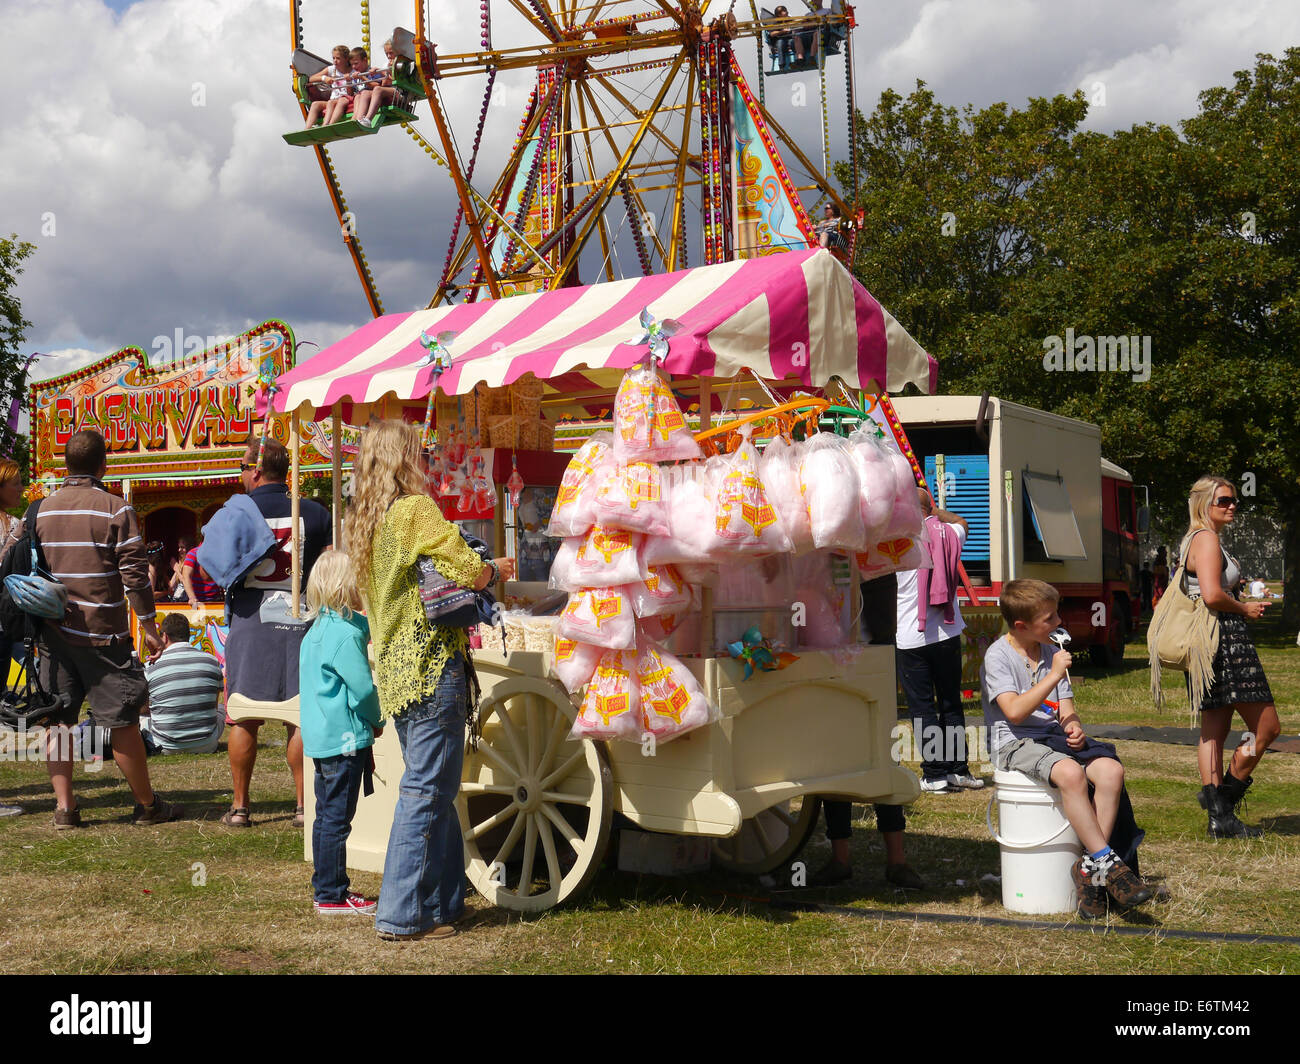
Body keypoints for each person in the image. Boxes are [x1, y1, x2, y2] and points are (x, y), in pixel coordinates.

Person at [348, 420, 514, 941]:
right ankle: (400, 914)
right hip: (430, 665)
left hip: (396, 671)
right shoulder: (413, 511)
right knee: (425, 792)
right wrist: (497, 570)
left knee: (437, 791)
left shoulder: (365, 523)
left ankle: (444, 906)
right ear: (405, 458)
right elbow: (467, 566)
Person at [33, 430, 182, 828]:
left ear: (66, 465)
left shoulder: (42, 510)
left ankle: (65, 808)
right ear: (103, 465)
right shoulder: (117, 509)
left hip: (53, 634)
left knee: (59, 720)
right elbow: (135, 576)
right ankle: (147, 805)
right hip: (104, 634)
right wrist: (150, 627)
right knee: (122, 720)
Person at [983, 578, 1151, 918]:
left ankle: (1090, 870)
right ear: (1021, 626)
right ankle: (1108, 864)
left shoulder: (1050, 652)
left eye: (1057, 615)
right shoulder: (998, 656)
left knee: (1110, 770)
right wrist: (1054, 675)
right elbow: (1014, 711)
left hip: (1051, 737)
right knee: (1071, 774)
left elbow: (1066, 708)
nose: (1059, 623)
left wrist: (1073, 726)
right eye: (1050, 619)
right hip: (1014, 741)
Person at [220, 437, 332, 829]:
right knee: (300, 717)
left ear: (254, 469)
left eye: (241, 467)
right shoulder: (315, 513)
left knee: (243, 714)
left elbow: (209, 563)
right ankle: (303, 806)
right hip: (301, 619)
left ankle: (239, 807)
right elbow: (329, 569)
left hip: (251, 620)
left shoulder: (238, 511)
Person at [810, 573, 925, 890]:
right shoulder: (820, 567)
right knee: (835, 761)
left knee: (885, 757)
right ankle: (840, 859)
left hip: (875, 654)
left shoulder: (878, 558)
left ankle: (897, 860)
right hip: (828, 658)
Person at [1180, 477, 1280, 838]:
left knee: (1213, 732)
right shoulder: (1206, 539)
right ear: (1205, 502)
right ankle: (1225, 798)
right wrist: (1245, 608)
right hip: (1224, 640)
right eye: (1224, 500)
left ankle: (1219, 818)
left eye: (1234, 500)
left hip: (1207, 644)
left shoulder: (1195, 538)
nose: (1232, 505)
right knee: (1266, 728)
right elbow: (1211, 595)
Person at [300, 550, 383, 915]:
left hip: (322, 739)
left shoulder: (315, 632)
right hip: (346, 740)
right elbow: (363, 690)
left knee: (325, 816)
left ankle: (325, 887)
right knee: (337, 819)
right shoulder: (345, 635)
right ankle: (332, 894)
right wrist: (377, 718)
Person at [898, 487, 983, 793]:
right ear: (928, 509)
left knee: (922, 707)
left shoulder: (895, 543)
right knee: (950, 703)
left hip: (910, 635)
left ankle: (934, 774)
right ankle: (958, 770)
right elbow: (962, 521)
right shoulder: (947, 533)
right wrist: (934, 512)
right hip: (947, 630)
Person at [140, 612, 224, 755]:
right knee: (221, 708)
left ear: (165, 637)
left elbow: (144, 709)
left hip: (164, 746)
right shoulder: (212, 661)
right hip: (207, 744)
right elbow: (213, 706)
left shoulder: (150, 666)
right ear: (188, 635)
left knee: (139, 716)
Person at [352, 38, 399, 129]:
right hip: (390, 90)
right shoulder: (386, 65)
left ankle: (368, 119)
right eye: (386, 54)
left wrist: (381, 72)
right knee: (364, 93)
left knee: (377, 89)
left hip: (400, 92)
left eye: (391, 53)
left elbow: (397, 80)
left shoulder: (402, 63)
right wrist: (386, 70)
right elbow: (385, 84)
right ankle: (359, 119)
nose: (389, 56)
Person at [305, 44, 352, 129]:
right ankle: (307, 129)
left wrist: (349, 81)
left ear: (346, 59)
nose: (335, 61)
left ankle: (326, 125)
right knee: (315, 104)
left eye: (338, 58)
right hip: (333, 100)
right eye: (333, 58)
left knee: (332, 102)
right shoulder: (331, 69)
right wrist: (324, 78)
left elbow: (351, 93)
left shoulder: (351, 71)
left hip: (345, 99)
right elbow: (311, 78)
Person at [180, 537, 223, 609]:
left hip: (216, 600)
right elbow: (186, 576)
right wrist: (192, 598)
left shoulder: (218, 553)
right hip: (197, 601)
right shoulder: (193, 553)